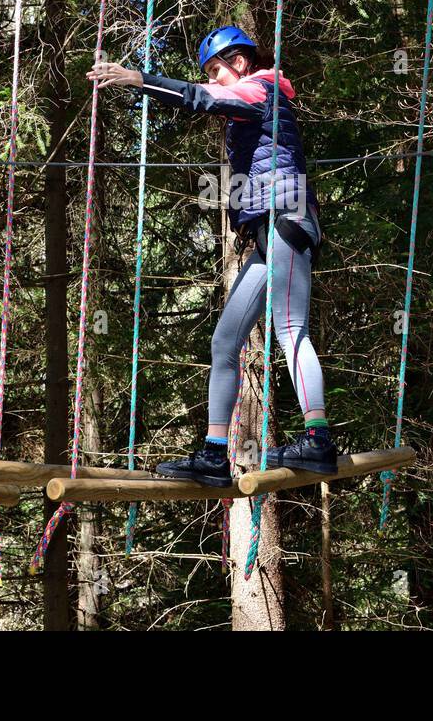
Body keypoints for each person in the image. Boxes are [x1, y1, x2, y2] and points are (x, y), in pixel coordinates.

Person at [87, 25, 336, 486]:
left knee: (289, 328)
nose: (214, 78)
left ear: (239, 63)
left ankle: (318, 438)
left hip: (286, 217)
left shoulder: (260, 89)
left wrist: (140, 80)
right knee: (225, 343)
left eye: (216, 69)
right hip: (267, 229)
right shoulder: (251, 102)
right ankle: (215, 453)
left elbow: (203, 98)